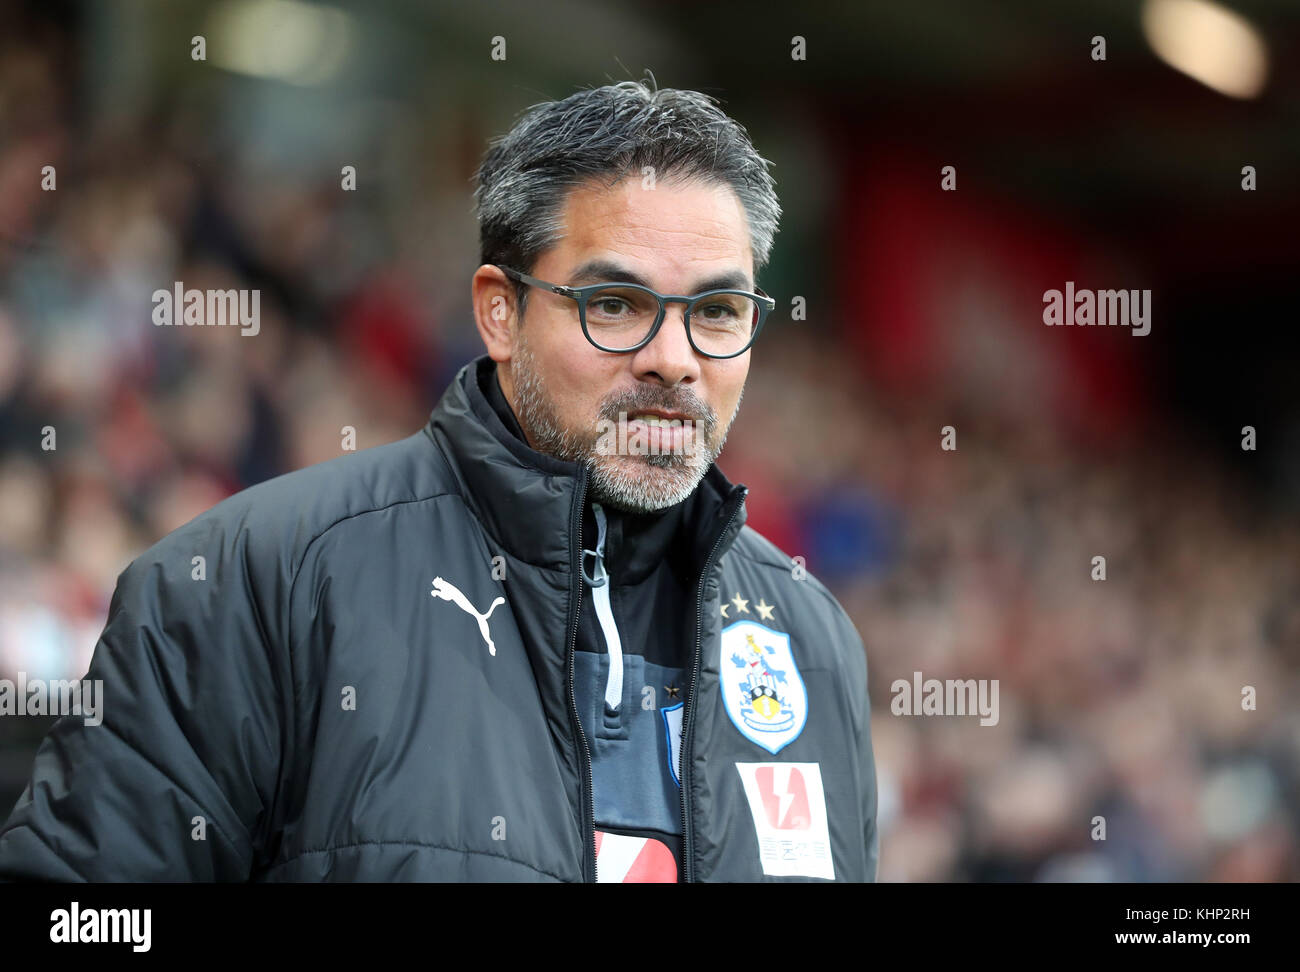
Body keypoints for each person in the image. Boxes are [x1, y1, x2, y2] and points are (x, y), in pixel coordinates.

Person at [0, 79, 878, 882]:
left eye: (718, 314)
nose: (673, 361)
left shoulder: (812, 641)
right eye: (615, 305)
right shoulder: (252, 581)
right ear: (500, 312)